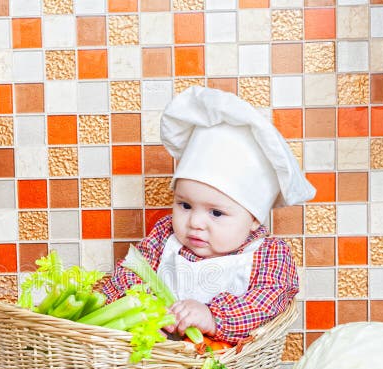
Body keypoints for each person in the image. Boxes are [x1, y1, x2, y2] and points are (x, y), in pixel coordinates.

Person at [103, 87, 316, 344]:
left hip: (224, 368)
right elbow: (130, 272)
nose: (194, 223)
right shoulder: (165, 235)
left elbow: (269, 300)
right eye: (185, 205)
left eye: (216, 212)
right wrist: (140, 309)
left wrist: (213, 317)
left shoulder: (268, 254)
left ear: (254, 219)